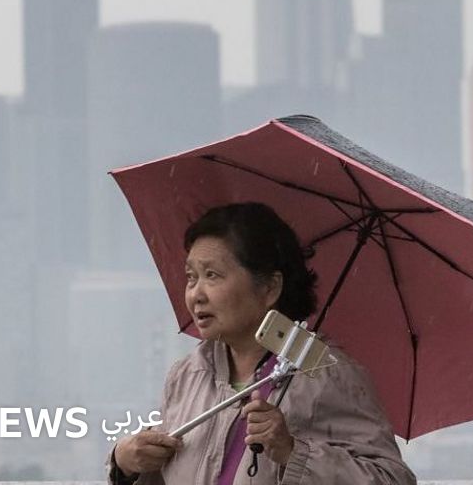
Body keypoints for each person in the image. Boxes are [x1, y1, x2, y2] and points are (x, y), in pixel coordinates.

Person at [107, 202, 416, 484]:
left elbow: (392, 479)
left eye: (212, 275)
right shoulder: (189, 374)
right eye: (191, 277)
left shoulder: (325, 371)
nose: (196, 294)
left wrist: (292, 452)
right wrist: (126, 465)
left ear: (269, 287)